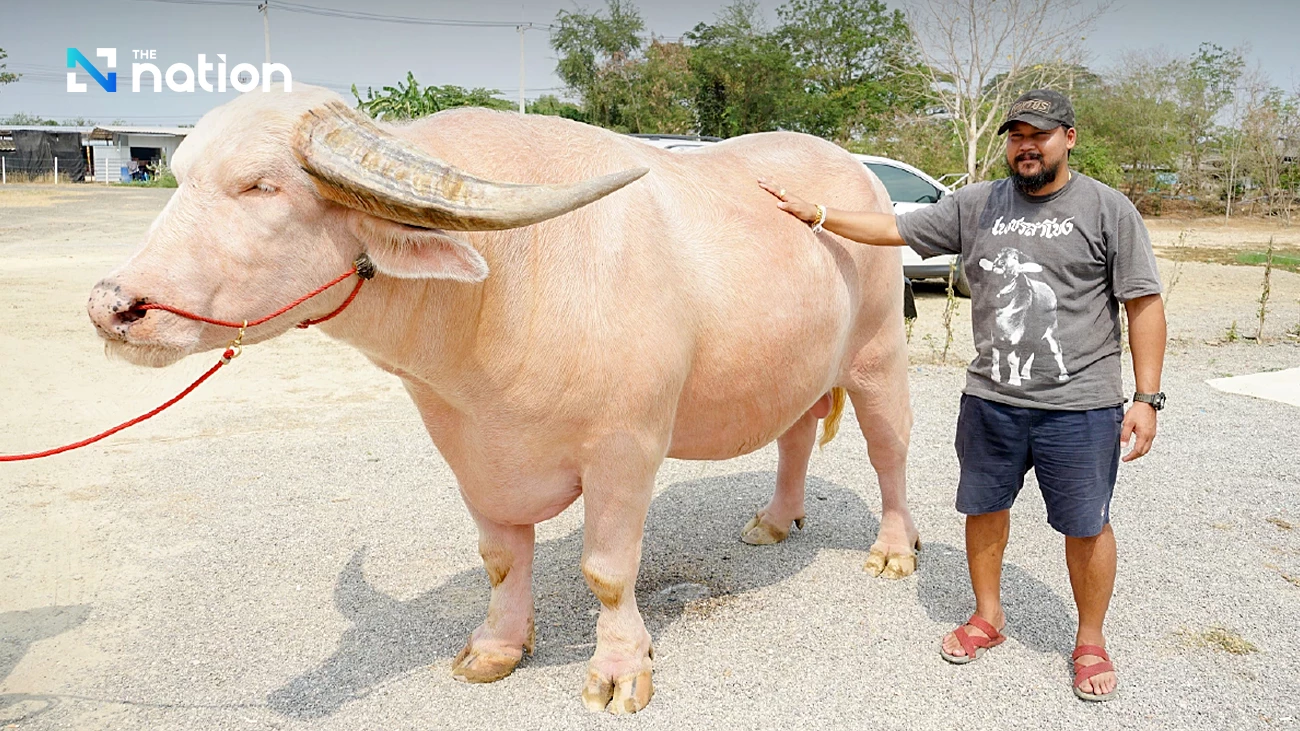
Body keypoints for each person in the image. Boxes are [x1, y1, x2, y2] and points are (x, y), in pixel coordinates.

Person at [758, 89, 1166, 702]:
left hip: (1080, 404)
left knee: (1086, 525)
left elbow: (1144, 303)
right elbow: (893, 227)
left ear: (1069, 138)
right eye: (1016, 136)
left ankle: (1088, 639)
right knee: (984, 509)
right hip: (992, 397)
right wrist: (817, 213)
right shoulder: (977, 204)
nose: (1026, 146)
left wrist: (1147, 397)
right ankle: (988, 616)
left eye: (1040, 135)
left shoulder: (1108, 210)